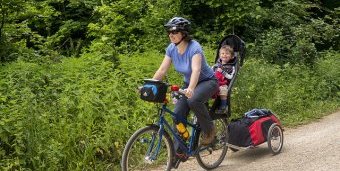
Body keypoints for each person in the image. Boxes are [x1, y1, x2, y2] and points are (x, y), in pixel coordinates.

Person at [152, 17, 218, 147]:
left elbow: (196, 70)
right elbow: (162, 70)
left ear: (184, 33)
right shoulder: (171, 48)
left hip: (208, 81)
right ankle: (180, 148)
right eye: (169, 32)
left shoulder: (194, 47)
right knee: (177, 114)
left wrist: (191, 89)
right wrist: (150, 84)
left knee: (193, 100)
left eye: (174, 31)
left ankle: (210, 130)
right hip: (188, 84)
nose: (171, 34)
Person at [212, 45, 236, 114]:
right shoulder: (216, 65)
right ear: (219, 55)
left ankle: (223, 107)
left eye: (227, 53)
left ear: (232, 57)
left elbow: (230, 77)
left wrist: (222, 72)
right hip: (213, 82)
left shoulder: (231, 67)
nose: (224, 55)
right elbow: (210, 72)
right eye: (222, 53)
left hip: (224, 83)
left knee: (223, 90)